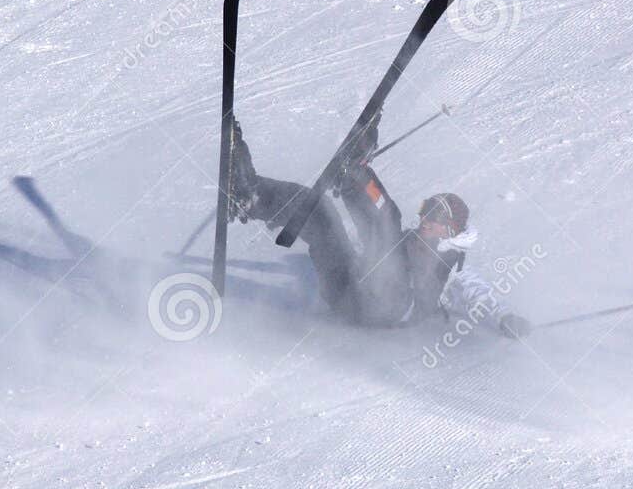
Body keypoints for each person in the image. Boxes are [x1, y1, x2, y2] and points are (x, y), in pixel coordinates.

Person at [225, 114, 531, 339]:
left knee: (387, 221)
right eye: (426, 210)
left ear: (450, 230)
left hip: (392, 307)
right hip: (348, 295)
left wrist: (505, 317)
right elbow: (367, 246)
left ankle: (353, 174)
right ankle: (250, 195)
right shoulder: (407, 240)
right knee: (320, 215)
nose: (425, 219)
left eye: (435, 216)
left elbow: (479, 294)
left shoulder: (451, 262)